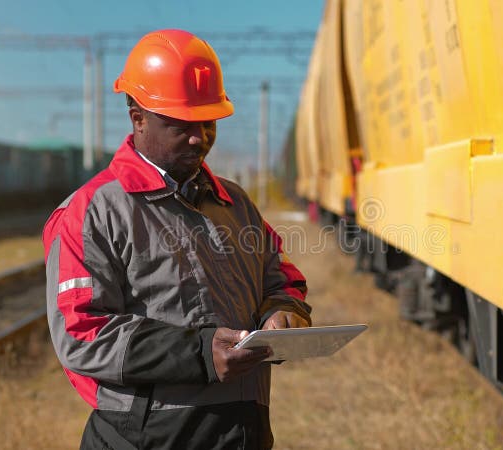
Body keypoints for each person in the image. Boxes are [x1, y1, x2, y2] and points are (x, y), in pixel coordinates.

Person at [42, 29, 312, 450]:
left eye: (208, 122)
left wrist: (282, 313)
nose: (198, 137)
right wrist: (201, 353)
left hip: (243, 432)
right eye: (181, 124)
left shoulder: (234, 202)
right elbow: (81, 334)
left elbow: (282, 277)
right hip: (147, 439)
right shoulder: (93, 211)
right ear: (138, 118)